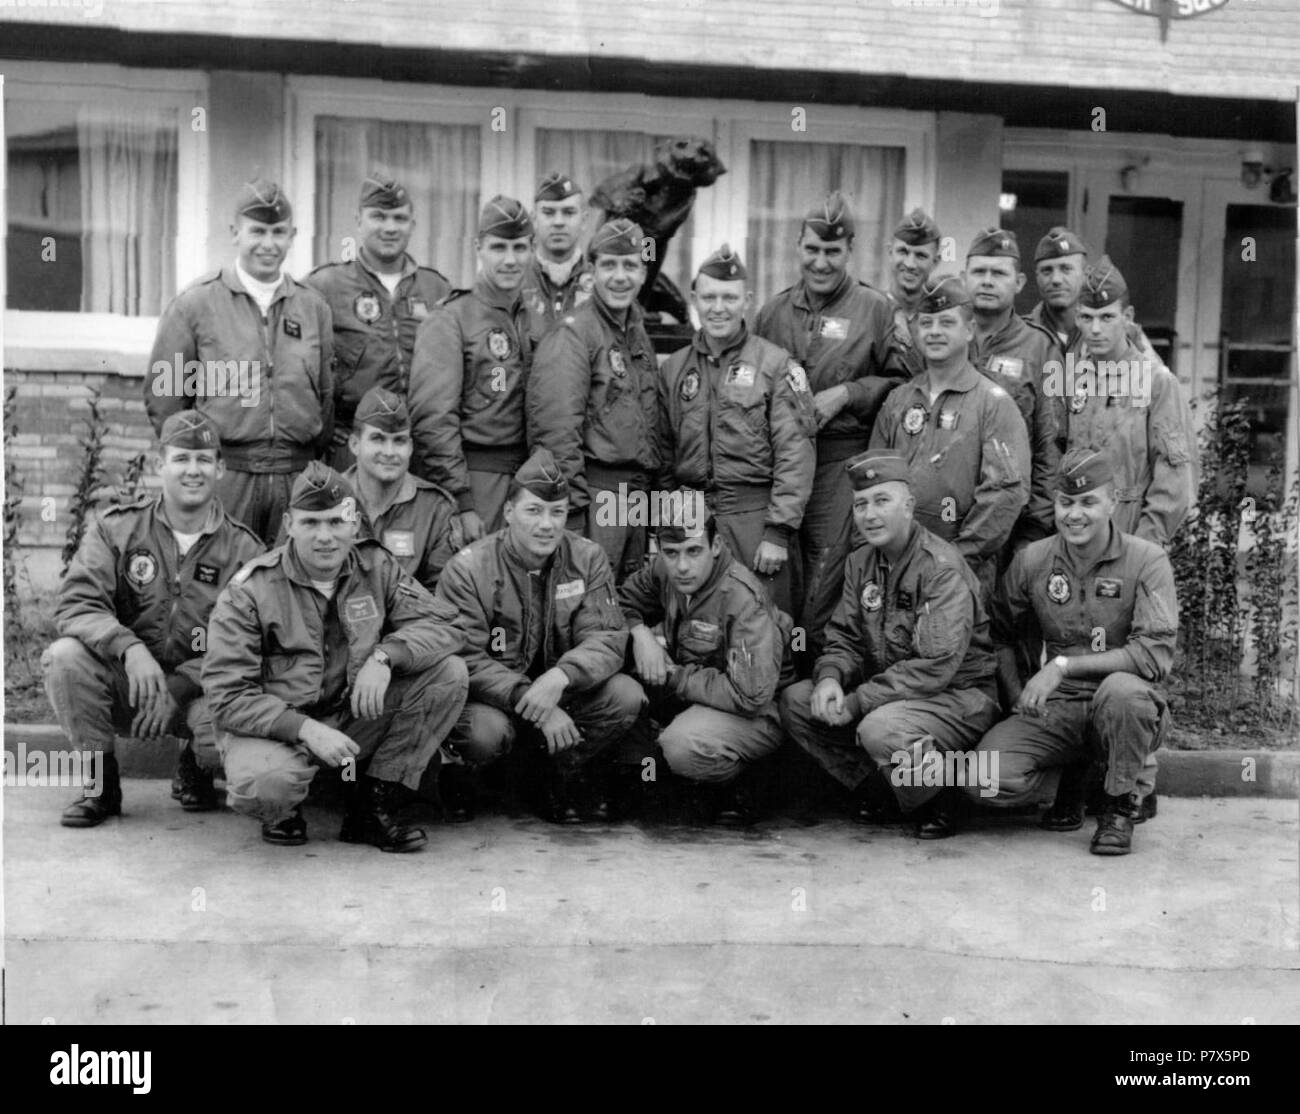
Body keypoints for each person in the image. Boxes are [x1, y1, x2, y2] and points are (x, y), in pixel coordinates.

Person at [201, 463, 469, 850]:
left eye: (335, 522)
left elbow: (447, 626)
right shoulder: (250, 591)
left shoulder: (376, 567)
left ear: (355, 523)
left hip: (350, 716)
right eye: (311, 523)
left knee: (448, 672)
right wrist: (304, 729)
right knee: (267, 785)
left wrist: (385, 656)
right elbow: (226, 697)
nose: (324, 537)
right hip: (282, 731)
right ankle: (283, 812)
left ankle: (372, 806)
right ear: (289, 524)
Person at [44, 412, 264, 827]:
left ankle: (195, 767)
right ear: (160, 464)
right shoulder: (118, 529)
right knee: (65, 658)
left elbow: (247, 643)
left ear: (220, 468)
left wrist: (178, 686)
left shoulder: (244, 549)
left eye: (203, 460)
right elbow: (77, 604)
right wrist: (129, 649)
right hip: (130, 683)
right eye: (181, 459)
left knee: (222, 731)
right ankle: (100, 786)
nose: (193, 470)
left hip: (199, 691)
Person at [966, 449, 1178, 855]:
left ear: (1113, 502)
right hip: (1059, 709)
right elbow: (999, 633)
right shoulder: (1033, 560)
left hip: (1122, 705)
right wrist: (1016, 697)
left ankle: (1118, 806)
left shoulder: (1147, 560)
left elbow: (1152, 655)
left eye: (1088, 502)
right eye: (1066, 503)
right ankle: (1078, 776)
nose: (1074, 515)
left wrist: (1062, 665)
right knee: (983, 779)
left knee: (1122, 692)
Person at [780, 450, 1000, 838]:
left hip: (959, 697)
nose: (870, 514)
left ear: (909, 506)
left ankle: (942, 798)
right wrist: (830, 677)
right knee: (799, 701)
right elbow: (844, 636)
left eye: (882, 501)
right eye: (861, 504)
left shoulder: (940, 569)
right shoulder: (860, 562)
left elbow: (934, 668)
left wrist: (857, 701)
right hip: (896, 696)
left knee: (880, 729)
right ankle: (883, 791)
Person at [434, 449, 646, 823]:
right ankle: (471, 775)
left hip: (561, 693)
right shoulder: (468, 569)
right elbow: (463, 655)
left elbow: (608, 637)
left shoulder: (588, 558)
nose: (547, 524)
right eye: (534, 511)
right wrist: (528, 698)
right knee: (484, 733)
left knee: (624, 695)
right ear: (508, 512)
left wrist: (562, 676)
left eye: (557, 512)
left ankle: (552, 770)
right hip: (496, 701)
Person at [754, 191, 909, 661]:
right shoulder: (773, 312)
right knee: (779, 575)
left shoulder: (876, 309)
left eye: (832, 252)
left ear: (850, 250)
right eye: (812, 250)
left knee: (828, 573)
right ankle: (778, 678)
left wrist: (848, 393)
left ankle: (819, 674)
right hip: (781, 466)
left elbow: (904, 383)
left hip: (840, 463)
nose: (820, 263)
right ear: (797, 246)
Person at [145, 178, 333, 544]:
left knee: (291, 587)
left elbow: (325, 397)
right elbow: (165, 399)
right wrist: (199, 466)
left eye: (278, 232)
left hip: (296, 476)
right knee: (221, 584)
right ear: (235, 232)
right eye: (257, 231)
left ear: (292, 235)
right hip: (228, 474)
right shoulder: (195, 305)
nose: (268, 244)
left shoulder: (313, 308)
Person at [656, 244, 816, 615]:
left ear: (746, 300)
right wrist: (665, 521)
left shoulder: (775, 365)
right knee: (699, 626)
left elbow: (796, 452)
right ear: (694, 299)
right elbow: (662, 453)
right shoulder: (674, 369)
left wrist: (778, 532)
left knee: (763, 622)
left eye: (729, 298)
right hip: (692, 519)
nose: (718, 308)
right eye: (709, 297)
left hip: (754, 518)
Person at [618, 497, 787, 824]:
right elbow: (620, 601)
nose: (681, 566)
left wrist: (675, 676)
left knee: (680, 743)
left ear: (716, 545)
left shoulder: (742, 599)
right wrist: (640, 634)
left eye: (693, 551)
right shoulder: (664, 571)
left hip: (759, 710)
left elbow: (750, 695)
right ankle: (655, 781)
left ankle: (739, 782)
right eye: (671, 553)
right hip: (701, 693)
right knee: (623, 682)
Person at [869, 275, 1031, 599]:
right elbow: (873, 481)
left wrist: (954, 557)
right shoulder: (898, 400)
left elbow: (1005, 494)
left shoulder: (993, 404)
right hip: (892, 565)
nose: (934, 332)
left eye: (946, 322)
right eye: (926, 323)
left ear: (969, 330)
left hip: (962, 571)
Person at [526, 218, 660, 581]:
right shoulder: (574, 335)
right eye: (609, 265)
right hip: (595, 494)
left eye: (630, 265)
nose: (620, 277)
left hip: (632, 497)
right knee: (586, 600)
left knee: (625, 605)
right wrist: (572, 510)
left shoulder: (636, 334)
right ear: (591, 272)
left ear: (643, 273)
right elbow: (555, 432)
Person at [302, 172, 451, 470]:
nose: (389, 228)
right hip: (351, 445)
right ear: (359, 221)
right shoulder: (325, 286)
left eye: (399, 218)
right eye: (378, 217)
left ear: (413, 225)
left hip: (420, 447)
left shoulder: (437, 290)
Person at [408, 195, 535, 542]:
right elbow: (433, 420)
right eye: (498, 247)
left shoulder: (536, 320)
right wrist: (461, 500)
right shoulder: (450, 318)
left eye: (519, 247)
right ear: (478, 247)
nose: (510, 260)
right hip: (475, 478)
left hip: (528, 482)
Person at [1057, 257, 1197, 545]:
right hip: (1072, 537)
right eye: (1086, 317)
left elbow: (1176, 477)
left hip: (1129, 533)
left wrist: (1142, 548)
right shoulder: (1070, 377)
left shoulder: (1156, 381)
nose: (1095, 329)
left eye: (1107, 317)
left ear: (1128, 316)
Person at [964, 228, 1062, 550]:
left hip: (1014, 524)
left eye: (998, 273)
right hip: (951, 512)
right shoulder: (945, 338)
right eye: (979, 271)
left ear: (1018, 283)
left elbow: (1052, 443)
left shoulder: (1043, 348)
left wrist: (1035, 528)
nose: (987, 281)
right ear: (964, 277)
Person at [342, 386, 460, 594]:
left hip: (411, 622)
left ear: (411, 448)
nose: (389, 452)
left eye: (399, 441)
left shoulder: (435, 509)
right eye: (378, 439)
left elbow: (443, 598)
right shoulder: (326, 500)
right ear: (354, 444)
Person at [522, 171, 594, 340]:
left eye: (568, 212)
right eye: (548, 212)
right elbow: (495, 363)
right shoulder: (513, 283)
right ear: (534, 219)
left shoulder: (602, 284)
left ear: (583, 221)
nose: (558, 222)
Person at [885, 207, 943, 377]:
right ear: (890, 253)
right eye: (903, 252)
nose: (910, 264)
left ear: (935, 262)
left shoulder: (943, 319)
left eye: (921, 256)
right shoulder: (871, 309)